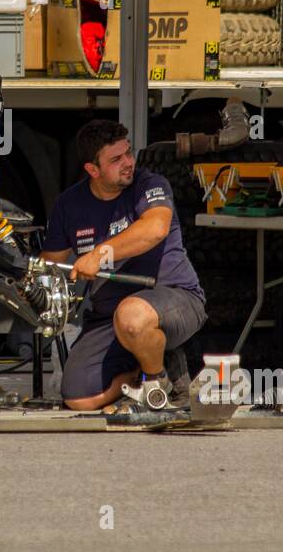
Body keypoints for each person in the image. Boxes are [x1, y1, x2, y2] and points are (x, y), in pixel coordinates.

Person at [41, 120, 206, 412]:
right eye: (116, 159)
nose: (128, 163)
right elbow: (51, 265)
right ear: (93, 170)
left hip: (174, 297)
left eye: (128, 153)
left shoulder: (150, 184)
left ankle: (159, 385)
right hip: (107, 316)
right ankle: (140, 376)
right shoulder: (69, 204)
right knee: (78, 398)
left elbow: (155, 228)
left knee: (132, 316)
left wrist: (99, 254)